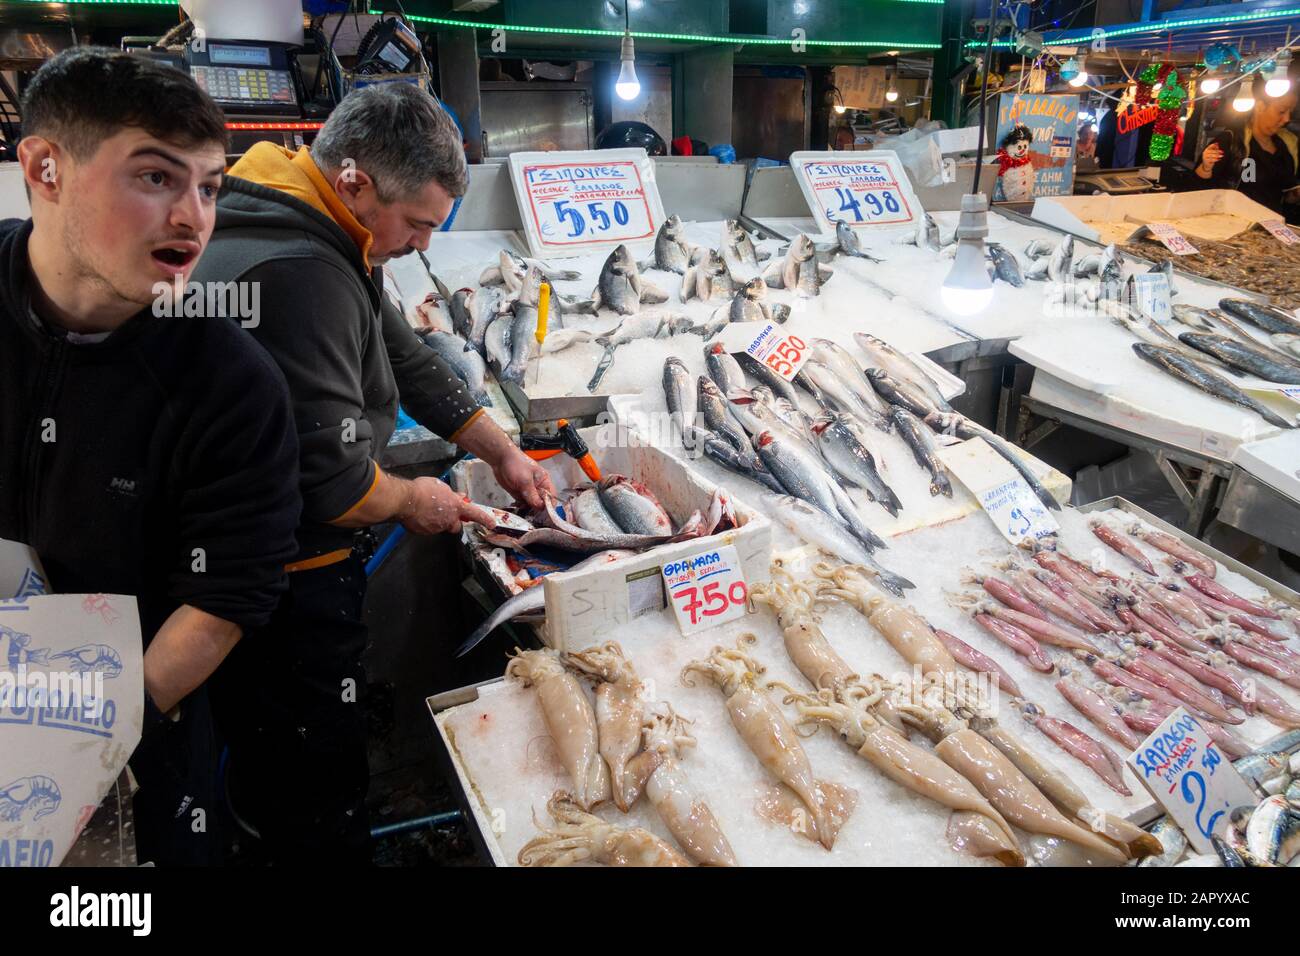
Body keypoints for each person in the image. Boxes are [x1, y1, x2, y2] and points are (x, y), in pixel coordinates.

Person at [190, 82, 557, 864]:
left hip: (262, 563)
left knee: (287, 763)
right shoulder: (300, 269)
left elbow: (405, 355)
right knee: (311, 779)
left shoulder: (309, 215)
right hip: (285, 576)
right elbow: (332, 483)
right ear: (355, 180)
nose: (426, 245)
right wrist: (413, 497)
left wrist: (500, 451)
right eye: (419, 223)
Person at [0, 48, 301, 864]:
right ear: (45, 166)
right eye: (156, 178)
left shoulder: (232, 384)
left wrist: (75, 743)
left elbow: (228, 597)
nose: (194, 218)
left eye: (210, 187)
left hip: (129, 732)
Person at [1191, 75, 1298, 218]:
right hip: (1230, 223)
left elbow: (1286, 194)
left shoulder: (1287, 145)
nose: (1287, 119)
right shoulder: (1230, 141)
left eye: (1291, 112)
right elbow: (1196, 191)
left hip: (1270, 228)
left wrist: (1295, 194)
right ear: (1260, 106)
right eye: (1282, 111)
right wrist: (1205, 167)